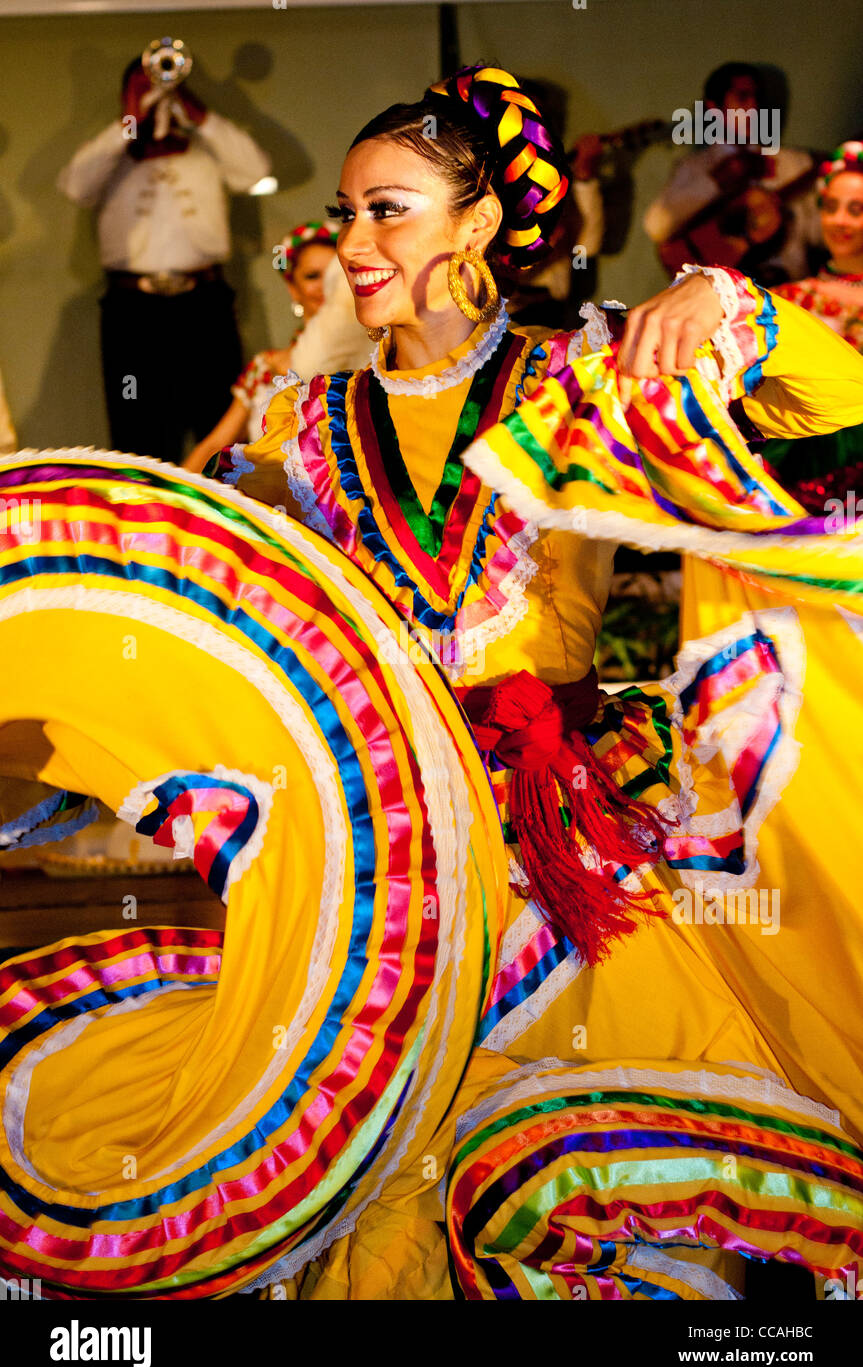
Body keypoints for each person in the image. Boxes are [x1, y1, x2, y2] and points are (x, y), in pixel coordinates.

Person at [2, 64, 862, 1303]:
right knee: (384, 1171)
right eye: (346, 214)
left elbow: (836, 400)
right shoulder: (303, 422)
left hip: (563, 848)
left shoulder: (588, 373)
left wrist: (727, 303)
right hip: (375, 862)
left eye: (386, 209)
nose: (352, 241)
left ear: (478, 222)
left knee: (579, 1172)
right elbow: (210, 634)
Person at [57, 45, 271, 463]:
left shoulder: (207, 150)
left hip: (204, 306)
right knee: (138, 434)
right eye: (144, 87)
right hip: (133, 312)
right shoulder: (111, 156)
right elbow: (75, 186)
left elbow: (256, 171)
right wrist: (129, 123)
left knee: (220, 432)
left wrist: (199, 116)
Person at [181, 220, 369, 471]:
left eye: (335, 274)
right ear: (293, 288)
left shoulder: (377, 358)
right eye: (312, 276)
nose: (326, 285)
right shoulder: (265, 367)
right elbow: (214, 445)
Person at [644, 61, 821, 285]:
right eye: (743, 98)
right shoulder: (696, 167)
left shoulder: (793, 163)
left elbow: (820, 231)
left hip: (788, 291)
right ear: (714, 108)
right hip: (720, 296)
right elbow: (656, 226)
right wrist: (718, 181)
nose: (754, 108)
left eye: (758, 98)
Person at [757, 141, 863, 508]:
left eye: (856, 209)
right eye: (830, 207)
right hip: (796, 476)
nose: (840, 221)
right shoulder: (788, 299)